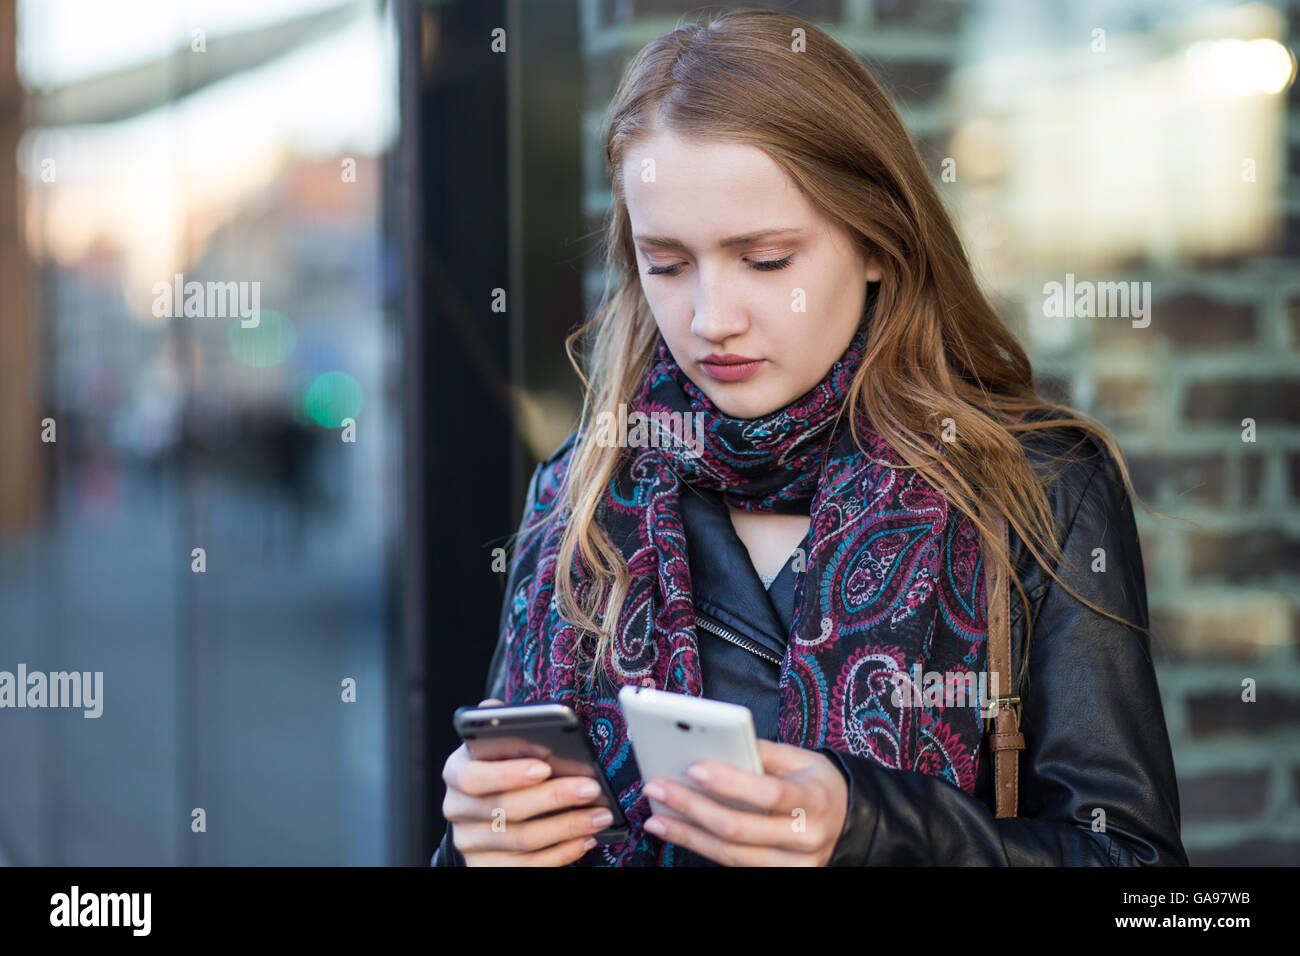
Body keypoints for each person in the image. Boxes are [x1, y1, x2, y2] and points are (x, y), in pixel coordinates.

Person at [432, 8, 1187, 867]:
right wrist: (482, 843)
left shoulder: (1039, 487)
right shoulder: (580, 491)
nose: (712, 318)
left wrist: (869, 826)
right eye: (667, 263)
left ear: (878, 241)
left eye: (766, 260)